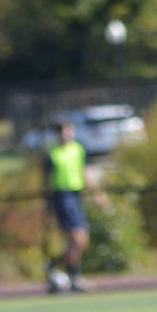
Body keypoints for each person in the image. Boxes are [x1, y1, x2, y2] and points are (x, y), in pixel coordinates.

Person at [41, 118, 93, 293]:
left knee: (82, 241)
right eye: (63, 132)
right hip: (62, 197)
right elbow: (46, 181)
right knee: (77, 239)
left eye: (69, 130)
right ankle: (74, 277)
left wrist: (98, 193)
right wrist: (48, 204)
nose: (66, 134)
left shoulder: (78, 149)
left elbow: (84, 172)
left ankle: (53, 266)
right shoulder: (52, 153)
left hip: (77, 195)